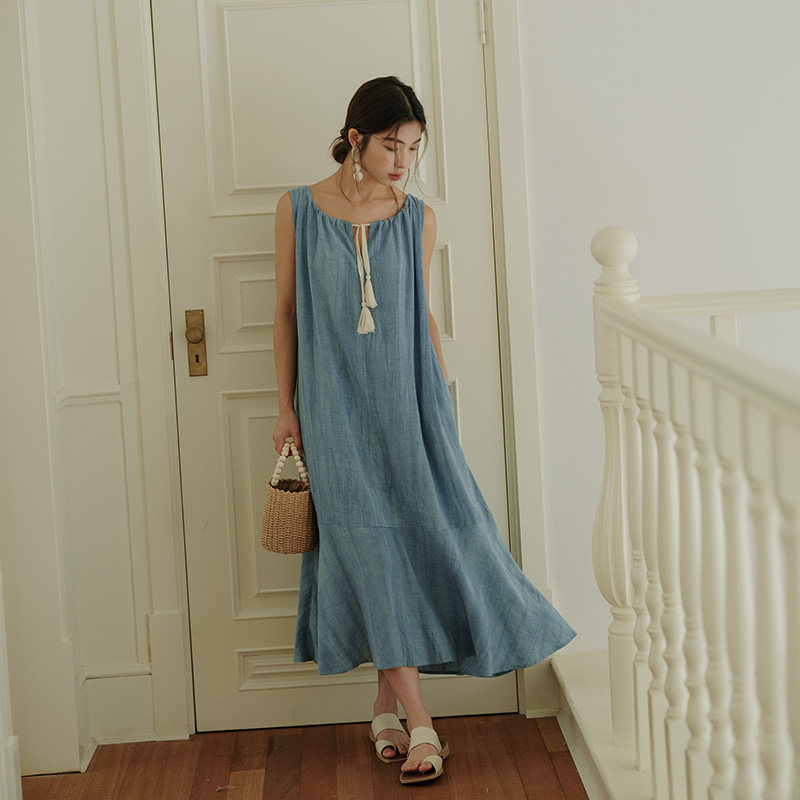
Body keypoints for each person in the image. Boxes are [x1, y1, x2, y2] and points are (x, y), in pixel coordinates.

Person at [272, 76, 576, 785]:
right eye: (391, 145)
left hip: (410, 404)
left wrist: (438, 402)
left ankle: (386, 708)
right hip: (331, 410)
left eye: (413, 147)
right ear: (355, 139)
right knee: (368, 552)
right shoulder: (297, 210)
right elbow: (285, 312)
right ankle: (422, 722)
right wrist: (285, 408)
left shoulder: (418, 219)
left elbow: (421, 314)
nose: (403, 161)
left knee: (431, 538)